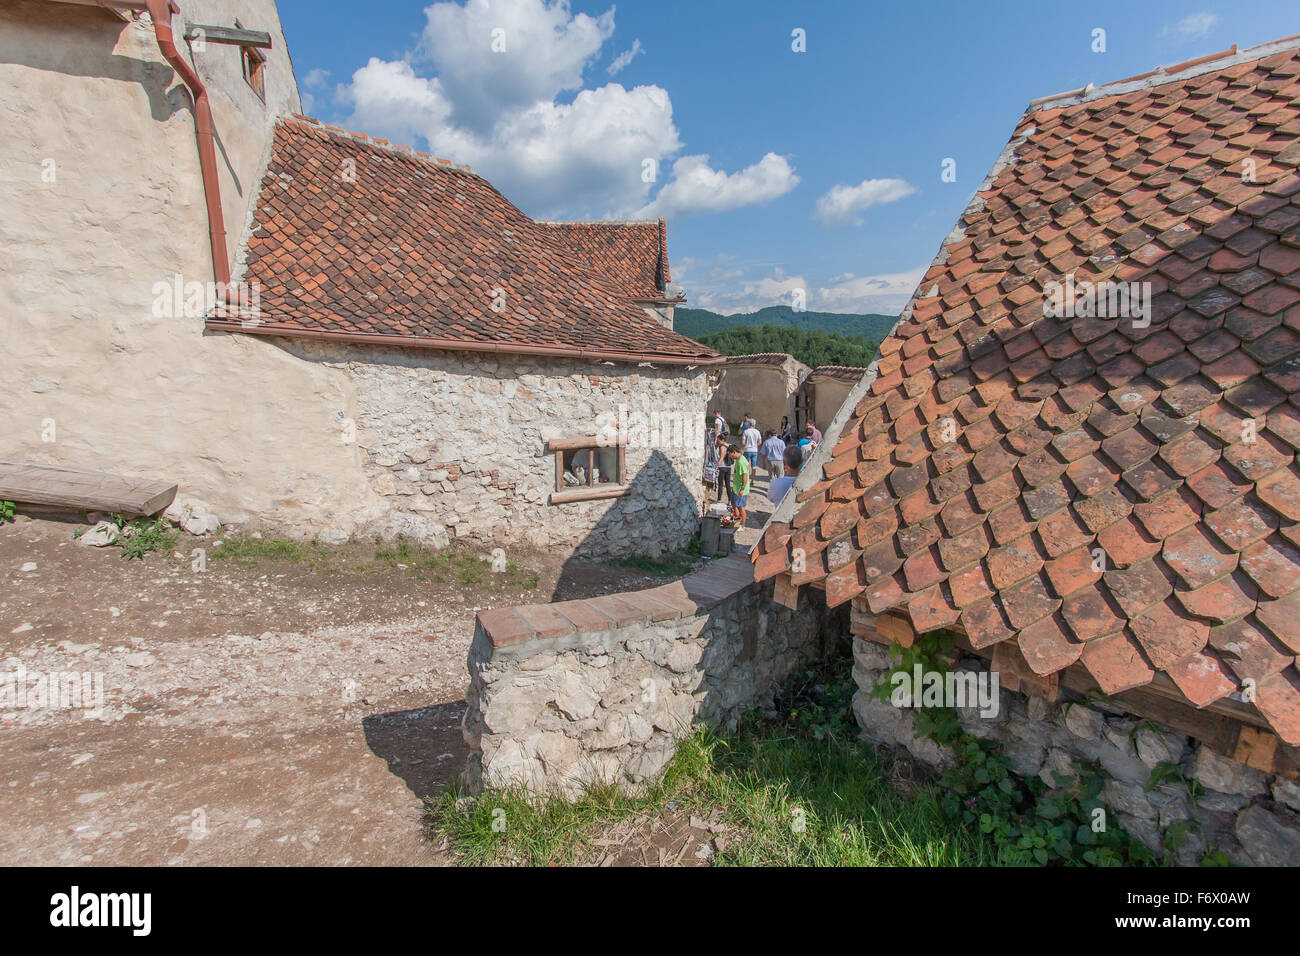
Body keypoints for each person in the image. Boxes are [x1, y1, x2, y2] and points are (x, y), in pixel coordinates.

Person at [727, 446, 750, 528]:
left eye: (730, 454)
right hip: (736, 488)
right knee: (734, 504)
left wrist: (742, 489)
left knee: (741, 507)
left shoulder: (741, 462)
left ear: (734, 452)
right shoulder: (739, 459)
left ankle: (742, 525)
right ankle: (737, 520)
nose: (730, 456)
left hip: (741, 489)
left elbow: (745, 475)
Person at [715, 437, 732, 503]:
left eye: (718, 440)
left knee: (720, 484)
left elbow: (721, 457)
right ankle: (729, 500)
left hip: (722, 467)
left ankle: (719, 499)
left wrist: (716, 466)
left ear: (722, 440)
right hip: (728, 467)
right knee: (728, 485)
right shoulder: (728, 446)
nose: (717, 441)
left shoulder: (722, 447)